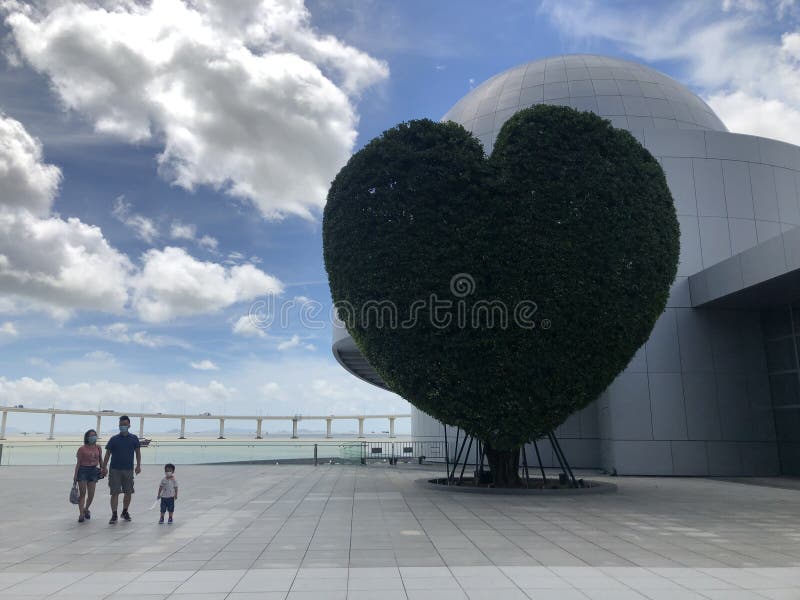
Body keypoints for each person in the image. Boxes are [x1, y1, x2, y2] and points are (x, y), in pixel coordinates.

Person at [102, 415, 141, 524]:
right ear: (119, 426)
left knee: (128, 492)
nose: (123, 426)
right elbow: (107, 454)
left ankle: (125, 511)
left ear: (129, 425)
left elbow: (137, 452)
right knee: (114, 493)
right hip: (114, 470)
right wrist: (104, 467)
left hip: (128, 470)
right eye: (121, 424)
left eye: (125, 424)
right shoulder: (113, 439)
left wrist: (138, 465)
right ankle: (114, 514)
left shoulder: (134, 438)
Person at [73, 429, 104, 523]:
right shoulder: (82, 449)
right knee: (82, 494)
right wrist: (75, 475)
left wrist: (103, 469)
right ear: (87, 437)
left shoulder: (98, 447)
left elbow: (100, 459)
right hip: (82, 470)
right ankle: (81, 513)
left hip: (93, 470)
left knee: (91, 494)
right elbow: (78, 463)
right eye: (91, 435)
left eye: (94, 435)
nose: (93, 437)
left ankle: (86, 508)